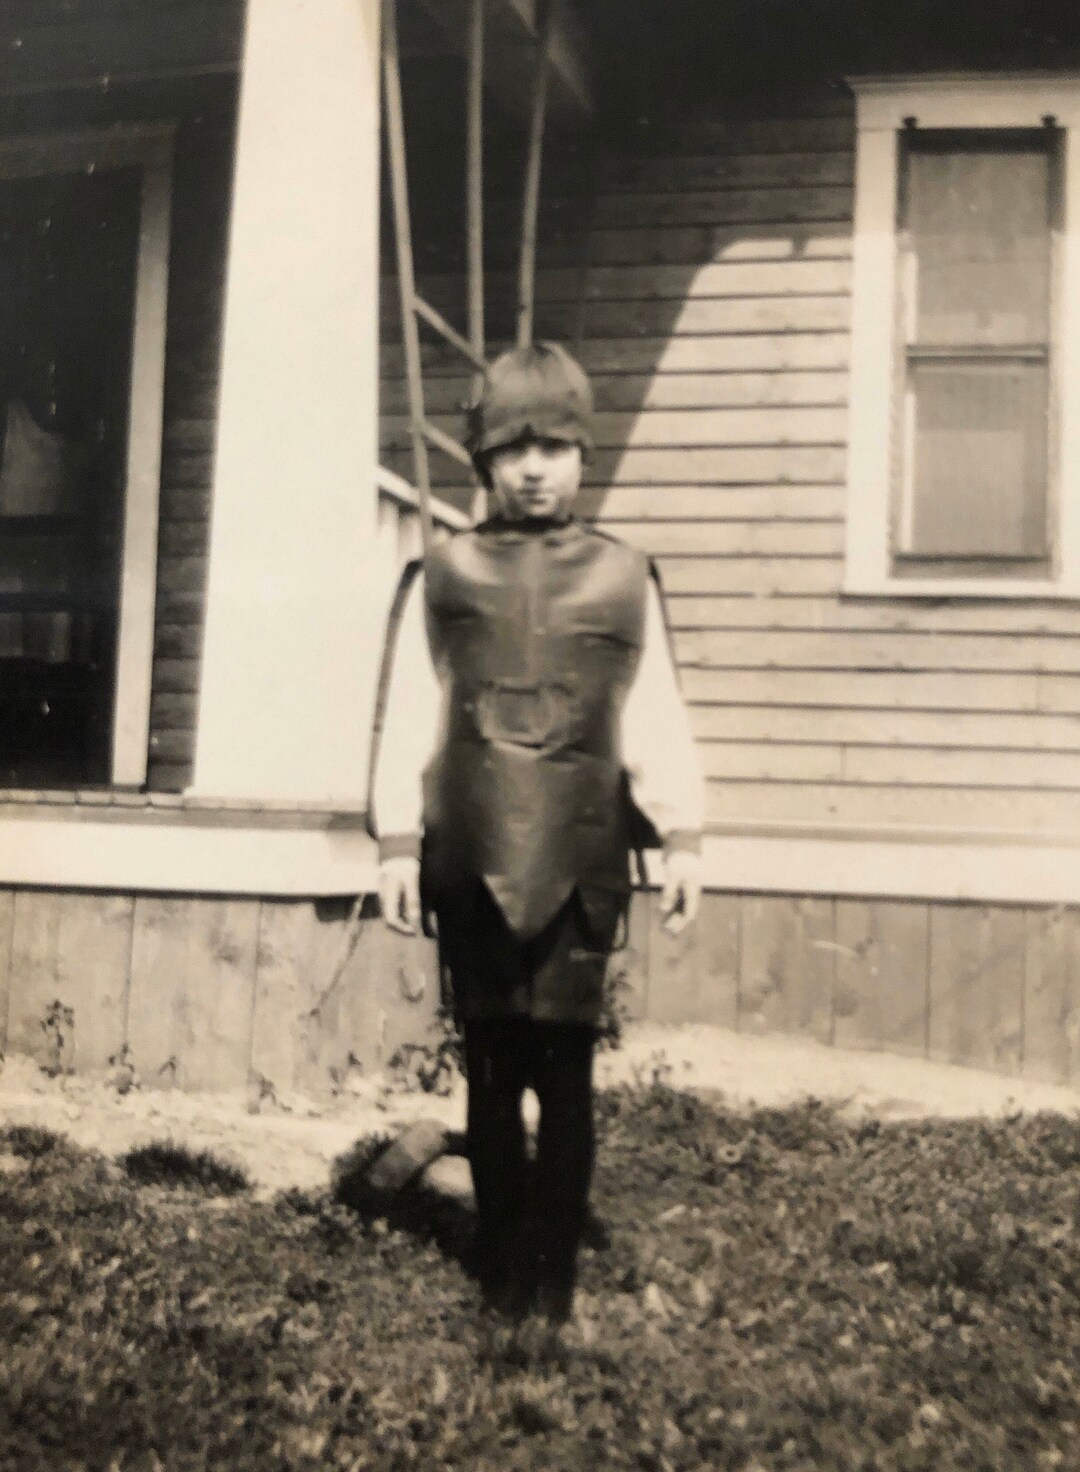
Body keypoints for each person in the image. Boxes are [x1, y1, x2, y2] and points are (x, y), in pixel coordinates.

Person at [371, 341, 705, 1323]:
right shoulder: (443, 575)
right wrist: (397, 841)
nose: (533, 466)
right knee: (489, 1064)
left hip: (582, 861)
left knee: (563, 1072)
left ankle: (549, 1280)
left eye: (554, 445)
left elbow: (656, 715)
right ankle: (500, 1261)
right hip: (472, 858)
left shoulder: (622, 577)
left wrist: (683, 836)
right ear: (482, 462)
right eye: (512, 447)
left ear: (583, 455)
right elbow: (408, 713)